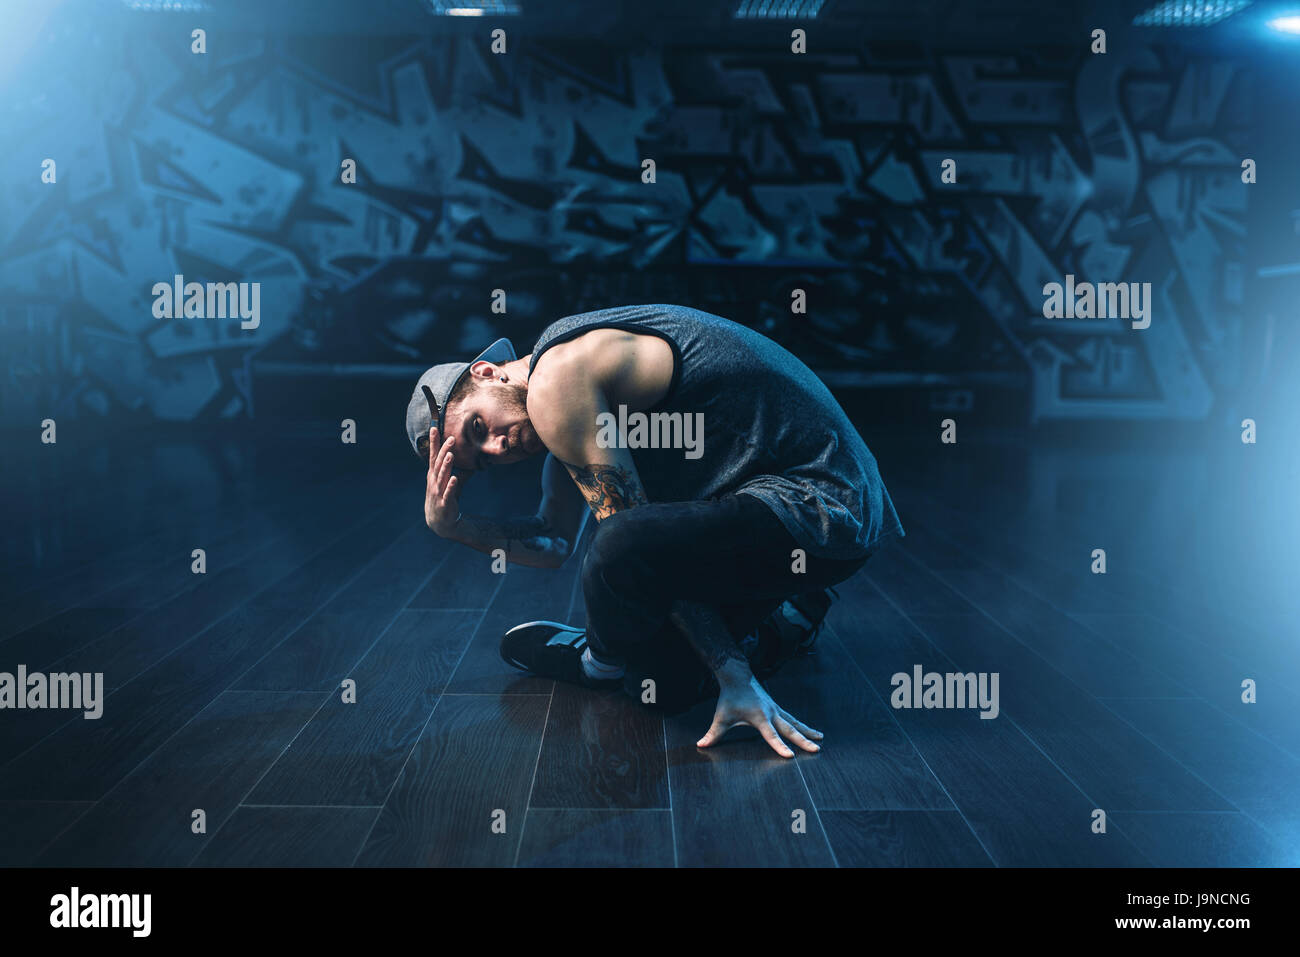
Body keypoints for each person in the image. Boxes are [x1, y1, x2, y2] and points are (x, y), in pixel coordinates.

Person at [405, 304, 904, 758]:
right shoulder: (557, 394)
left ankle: (594, 663)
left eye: (476, 428)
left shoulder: (558, 382)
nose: (495, 450)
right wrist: (459, 528)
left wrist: (734, 676)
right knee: (662, 686)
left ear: (487, 372)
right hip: (809, 519)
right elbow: (554, 541)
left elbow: (634, 549)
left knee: (619, 543)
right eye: (481, 461)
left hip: (822, 503)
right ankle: (788, 621)